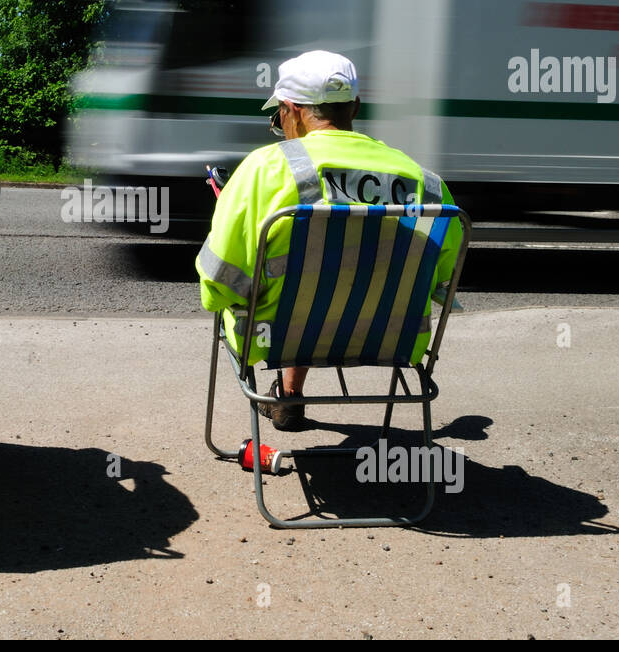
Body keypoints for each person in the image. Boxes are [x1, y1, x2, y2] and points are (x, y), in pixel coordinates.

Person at [196, 50, 462, 430]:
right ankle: (289, 392)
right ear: (354, 106)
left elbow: (218, 285)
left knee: (294, 287)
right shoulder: (426, 182)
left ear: (292, 109)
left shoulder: (263, 169)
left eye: (279, 116)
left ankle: (285, 395)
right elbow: (441, 279)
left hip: (277, 339)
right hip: (389, 339)